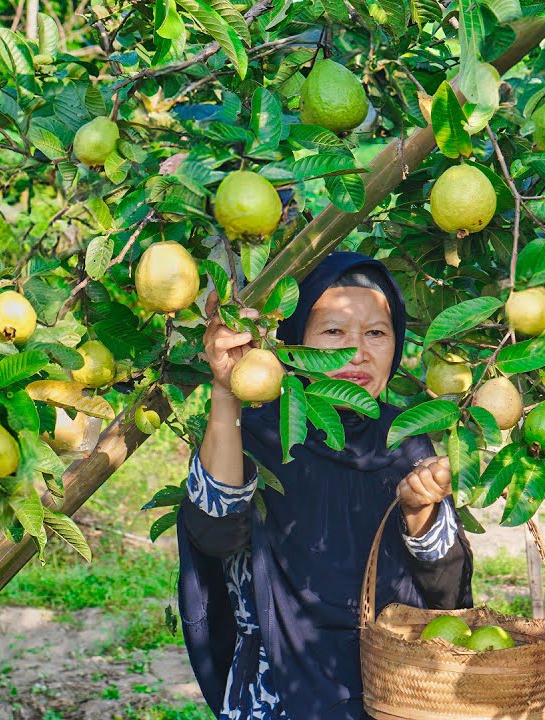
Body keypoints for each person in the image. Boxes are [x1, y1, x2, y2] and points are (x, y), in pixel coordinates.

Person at [177, 252, 472, 720]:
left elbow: (448, 594)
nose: (358, 352)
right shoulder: (259, 433)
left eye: (376, 332)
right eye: (333, 332)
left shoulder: (407, 435)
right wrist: (225, 390)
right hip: (280, 691)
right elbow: (215, 532)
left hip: (396, 690)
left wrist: (419, 513)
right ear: (296, 342)